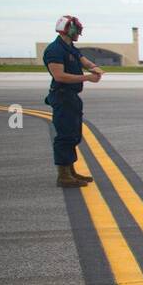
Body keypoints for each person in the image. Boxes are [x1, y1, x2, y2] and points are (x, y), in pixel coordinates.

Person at [43, 15, 102, 187]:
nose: (79, 33)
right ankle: (63, 175)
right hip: (62, 96)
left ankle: (71, 171)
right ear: (68, 29)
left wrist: (96, 69)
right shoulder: (54, 50)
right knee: (64, 135)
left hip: (71, 97)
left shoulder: (70, 48)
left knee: (73, 135)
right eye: (77, 29)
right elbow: (59, 76)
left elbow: (84, 61)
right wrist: (88, 78)